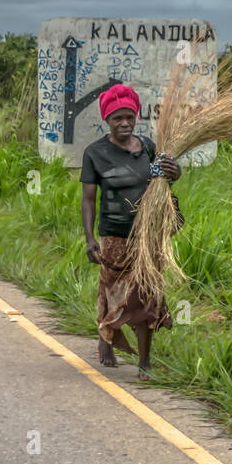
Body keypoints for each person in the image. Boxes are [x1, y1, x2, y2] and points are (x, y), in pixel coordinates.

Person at [80, 84, 180, 377]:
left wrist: (176, 172)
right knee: (112, 292)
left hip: (147, 236)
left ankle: (145, 362)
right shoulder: (95, 153)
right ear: (107, 120)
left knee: (148, 294)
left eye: (129, 117)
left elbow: (165, 181)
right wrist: (89, 239)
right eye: (116, 118)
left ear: (136, 117)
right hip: (113, 235)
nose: (124, 123)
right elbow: (88, 199)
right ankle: (106, 337)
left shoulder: (148, 147)